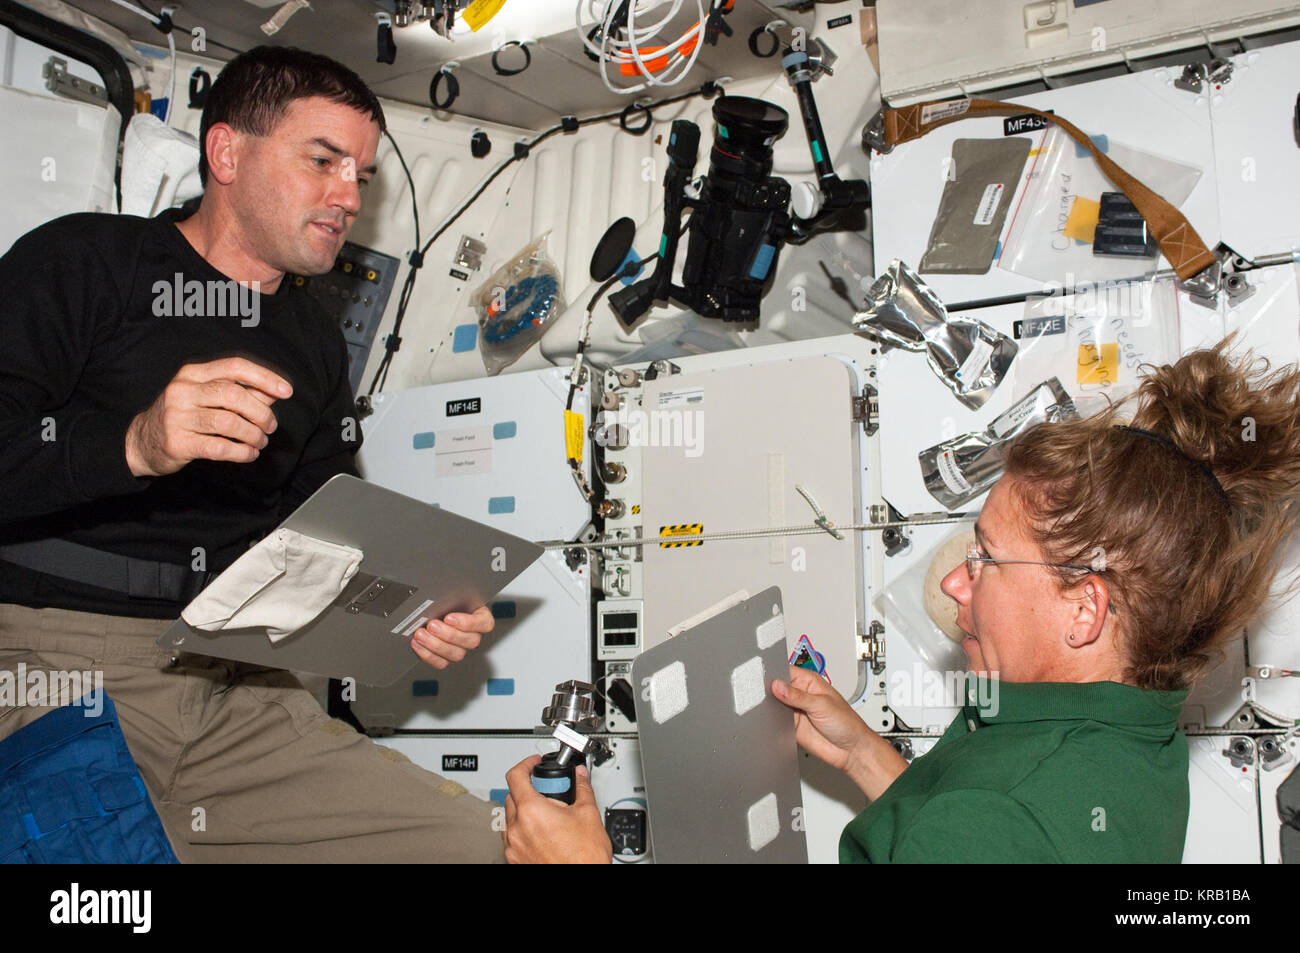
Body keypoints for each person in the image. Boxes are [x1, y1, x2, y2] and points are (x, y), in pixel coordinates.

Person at [501, 338, 1300, 863]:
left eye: (984, 559)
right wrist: (859, 751)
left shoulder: (1001, 817)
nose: (954, 583)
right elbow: (955, 819)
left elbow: (978, 826)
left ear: (1084, 609)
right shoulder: (1126, 729)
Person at [0, 46, 504, 862]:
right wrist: (134, 443)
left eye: (362, 176)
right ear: (227, 152)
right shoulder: (84, 263)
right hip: (58, 663)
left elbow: (330, 531)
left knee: (482, 845)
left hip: (240, 680)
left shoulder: (312, 340)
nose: (348, 195)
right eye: (323, 160)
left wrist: (413, 608)